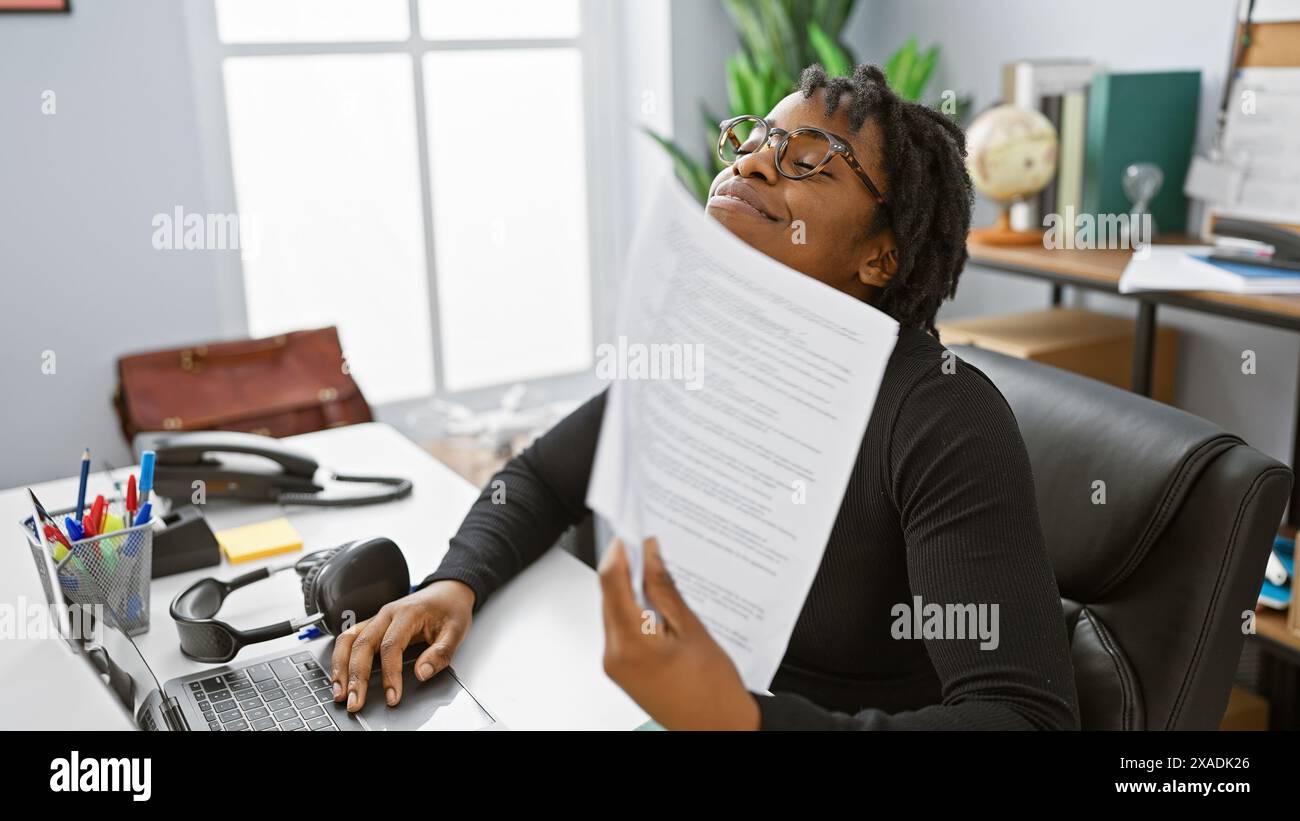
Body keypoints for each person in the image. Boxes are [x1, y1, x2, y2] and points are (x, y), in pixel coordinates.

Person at [330, 63, 1080, 730]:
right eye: (753, 141)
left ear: (881, 254)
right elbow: (543, 477)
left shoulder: (945, 419)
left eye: (810, 161)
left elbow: (1024, 716)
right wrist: (455, 582)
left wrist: (738, 718)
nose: (753, 165)